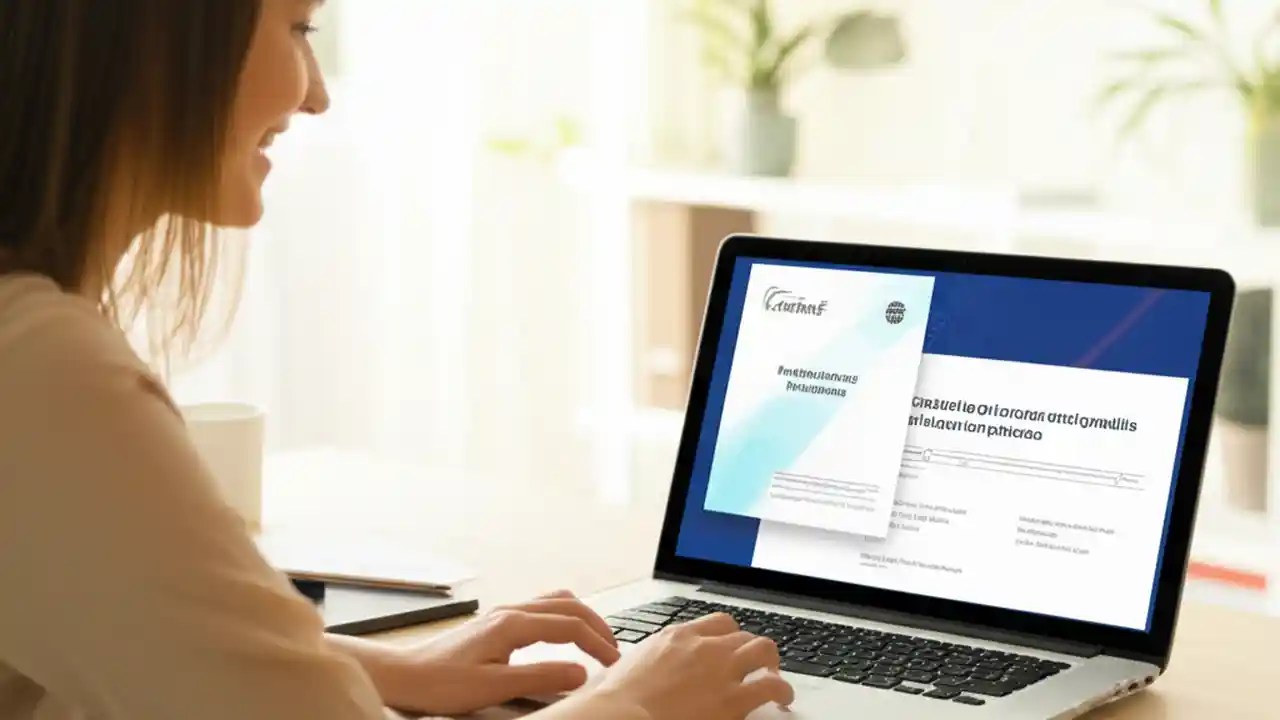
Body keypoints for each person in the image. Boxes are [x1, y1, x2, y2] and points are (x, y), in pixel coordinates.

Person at [0, 1, 796, 719]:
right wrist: (638, 703)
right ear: (158, 43)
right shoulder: (48, 375)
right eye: (298, 30)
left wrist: (377, 669)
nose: (316, 93)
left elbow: (115, 623)